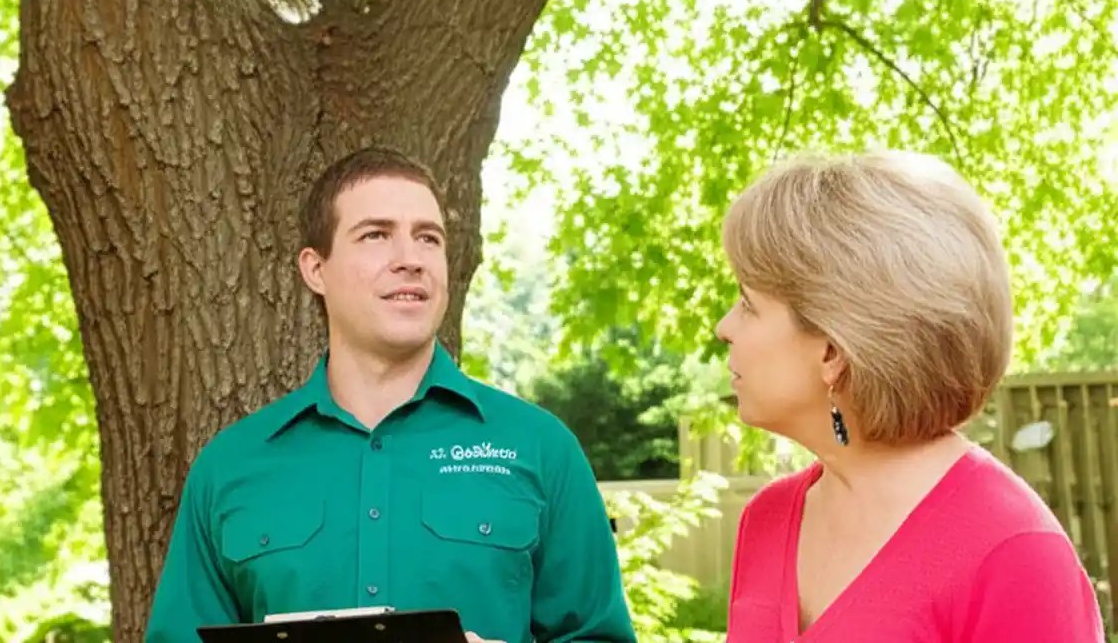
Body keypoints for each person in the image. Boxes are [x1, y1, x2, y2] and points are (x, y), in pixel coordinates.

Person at [145, 148, 637, 643]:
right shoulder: (229, 466)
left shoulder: (540, 448)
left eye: (428, 238)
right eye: (376, 235)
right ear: (316, 269)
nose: (411, 260)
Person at [715, 151, 1105, 642]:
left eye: (748, 304)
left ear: (834, 350)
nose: (724, 327)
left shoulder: (1014, 554)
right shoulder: (766, 520)